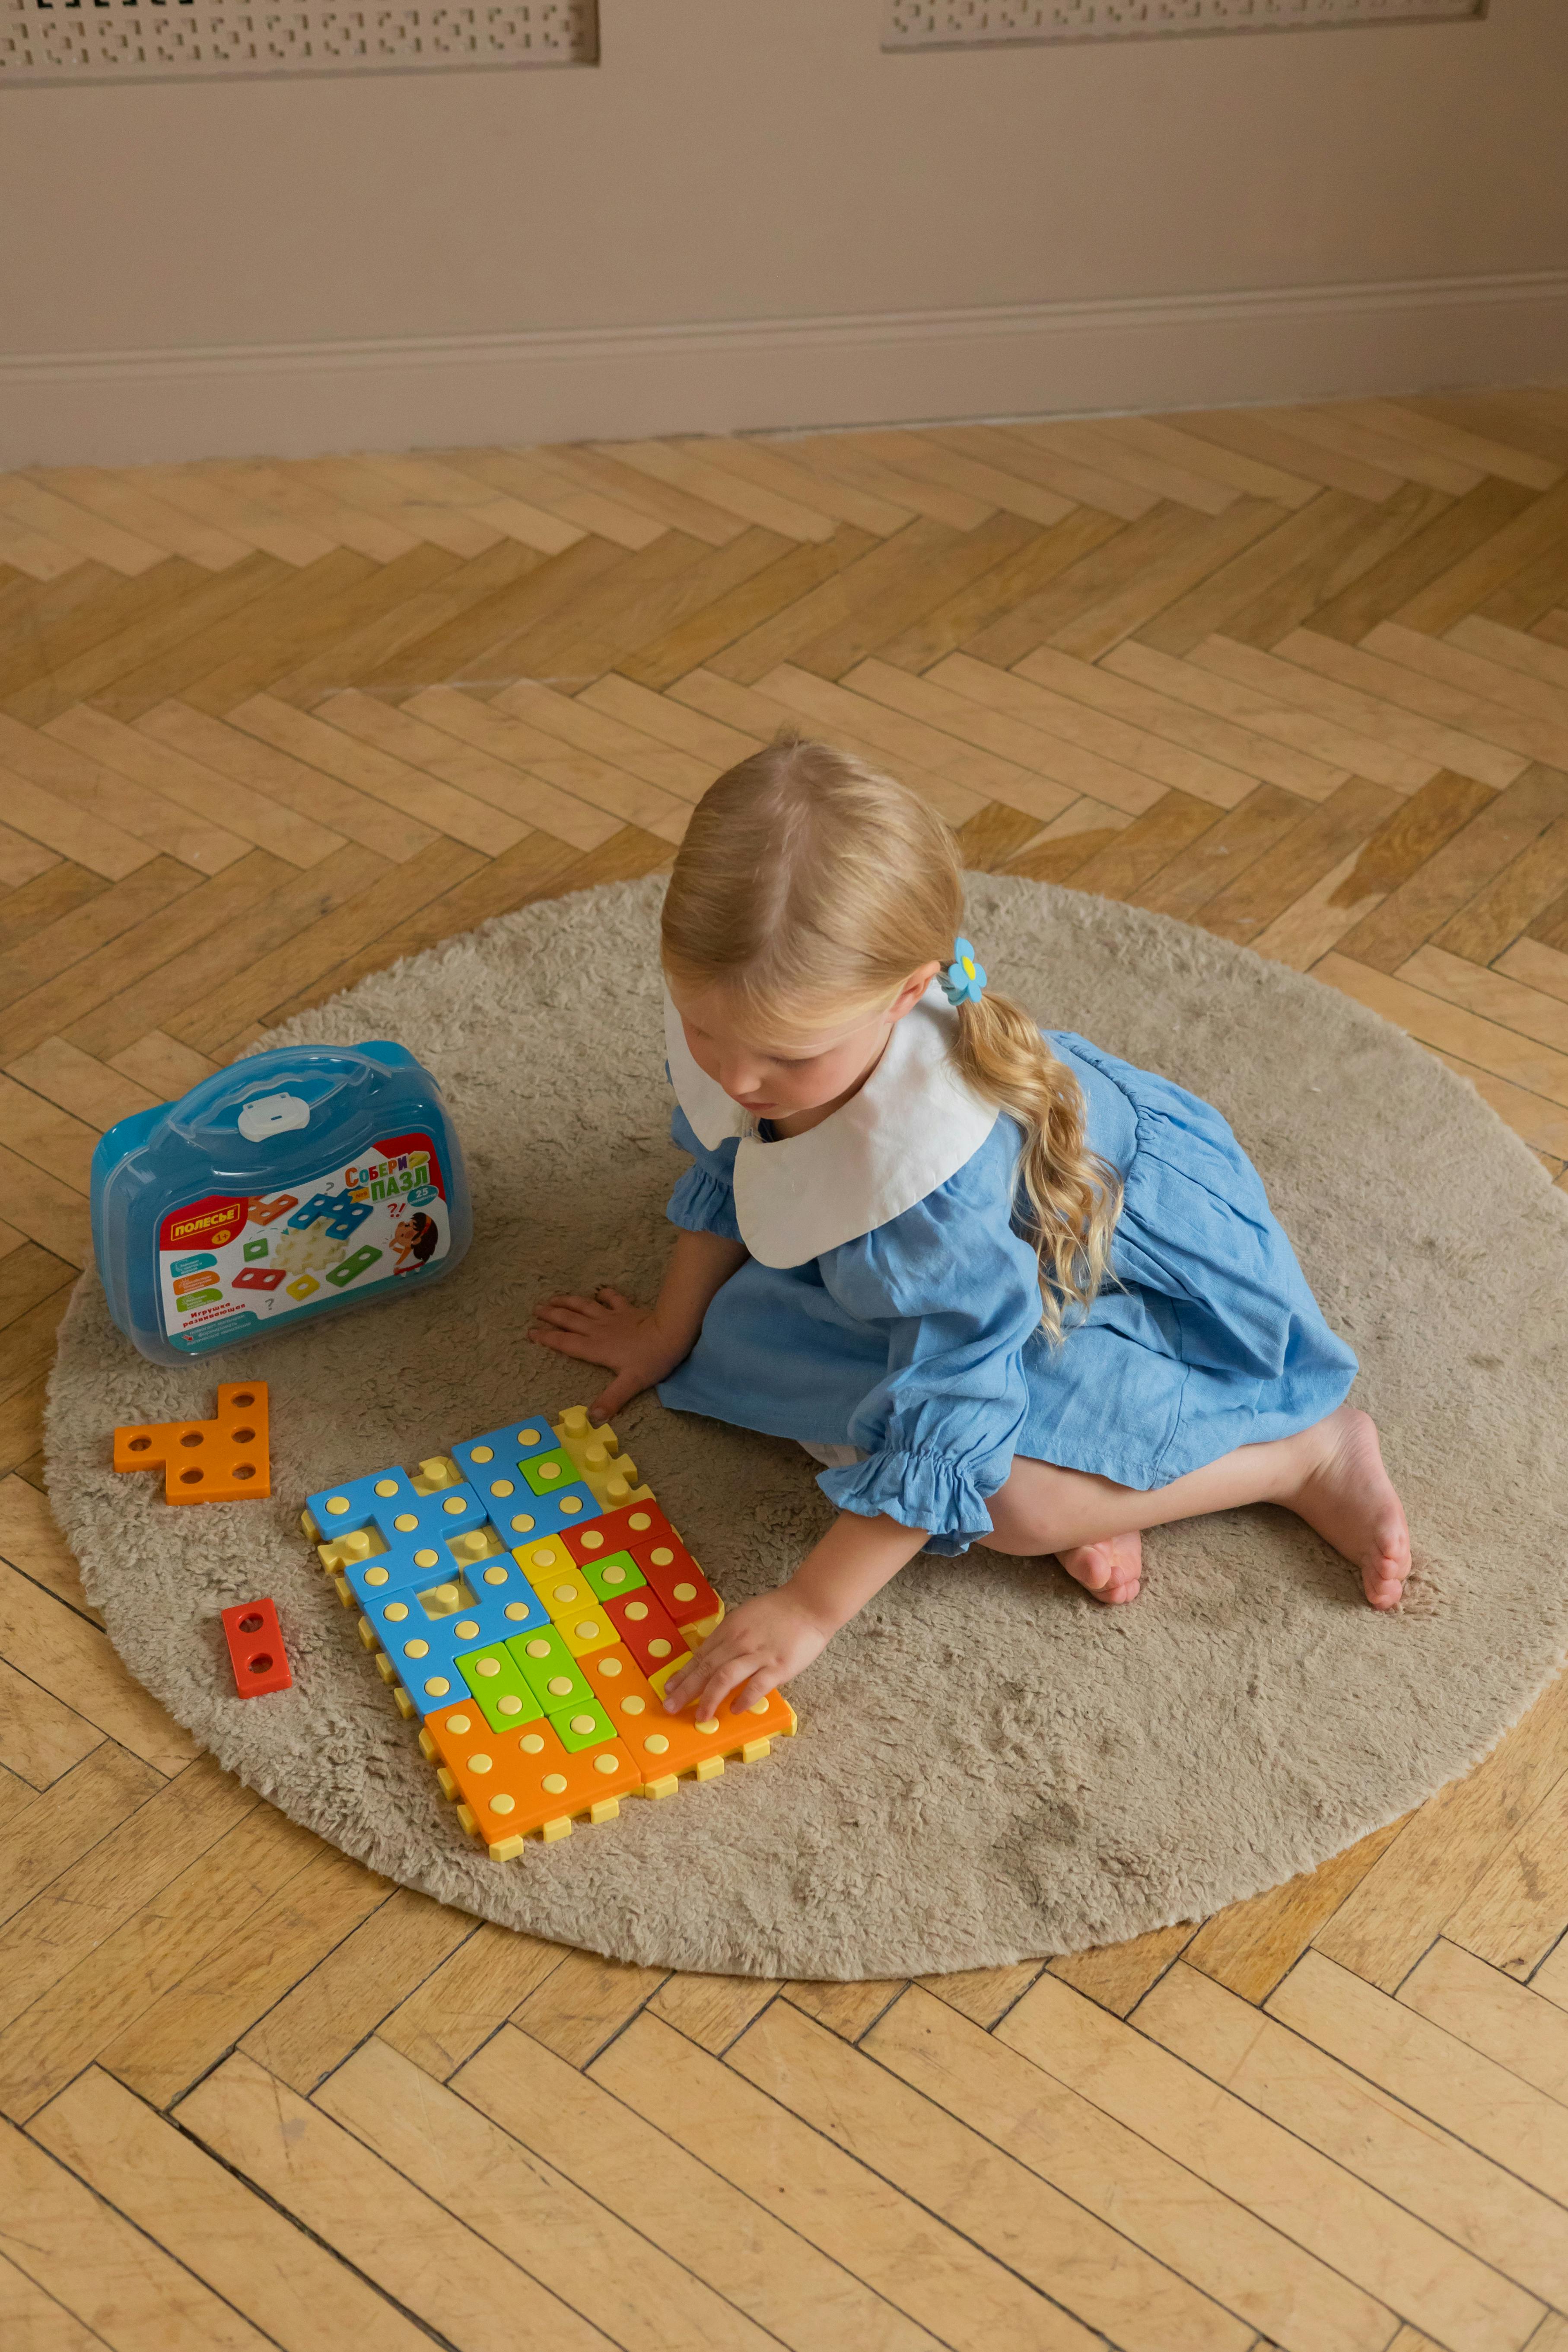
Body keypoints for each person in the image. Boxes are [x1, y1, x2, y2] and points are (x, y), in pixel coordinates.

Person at [531, 736, 1409, 1722]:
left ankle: (1298, 1455)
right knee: (730, 1335)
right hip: (959, 1288)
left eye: (786, 1056)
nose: (736, 1077)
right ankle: (1117, 1478)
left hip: (1108, 1284)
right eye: (706, 1032)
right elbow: (731, 1162)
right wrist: (665, 1330)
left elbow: (955, 1394)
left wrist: (810, 1608)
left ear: (909, 993)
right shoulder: (749, 1022)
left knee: (1010, 1505)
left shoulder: (934, 1185)